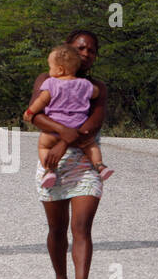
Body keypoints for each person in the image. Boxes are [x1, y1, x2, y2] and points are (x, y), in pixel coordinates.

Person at [25, 30, 109, 279]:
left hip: (85, 164)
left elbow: (93, 125)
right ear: (67, 50)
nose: (86, 54)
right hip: (53, 165)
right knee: (57, 229)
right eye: (80, 48)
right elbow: (35, 115)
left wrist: (63, 142)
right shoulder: (46, 80)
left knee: (82, 227)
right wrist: (62, 138)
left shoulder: (97, 87)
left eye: (91, 51)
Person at [25, 44, 113, 188]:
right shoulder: (84, 84)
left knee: (43, 146)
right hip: (78, 128)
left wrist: (29, 112)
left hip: (55, 129)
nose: (49, 70)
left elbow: (40, 101)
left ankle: (49, 170)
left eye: (50, 67)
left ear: (59, 70)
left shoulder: (50, 83)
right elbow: (96, 93)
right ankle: (100, 166)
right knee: (91, 145)